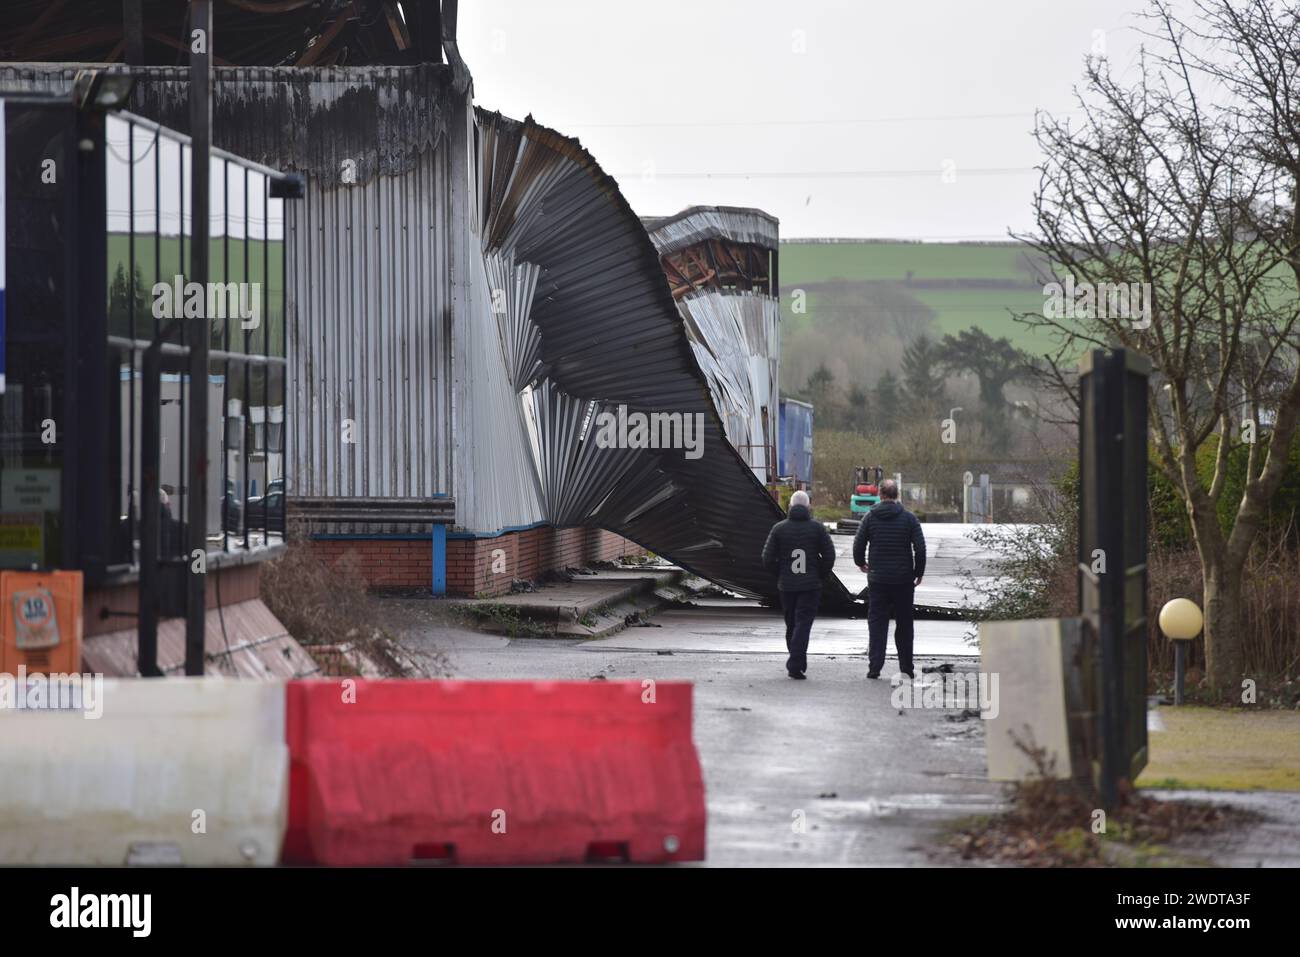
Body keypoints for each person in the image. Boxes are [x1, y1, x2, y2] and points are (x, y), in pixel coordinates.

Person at [852, 479, 926, 681]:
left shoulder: (870, 517)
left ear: (881, 495)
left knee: (877, 623)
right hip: (903, 580)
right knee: (904, 624)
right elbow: (920, 548)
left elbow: (858, 544)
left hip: (878, 580)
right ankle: (906, 668)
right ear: (896, 495)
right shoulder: (909, 519)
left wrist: (861, 562)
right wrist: (919, 572)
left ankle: (875, 667)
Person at [762, 489, 837, 679]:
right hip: (810, 585)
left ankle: (795, 661)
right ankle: (796, 662)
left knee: (791, 624)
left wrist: (780, 573)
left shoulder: (779, 528)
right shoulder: (817, 529)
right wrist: (820, 574)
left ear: (790, 506)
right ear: (808, 507)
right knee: (803, 624)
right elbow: (829, 555)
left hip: (787, 585)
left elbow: (767, 558)